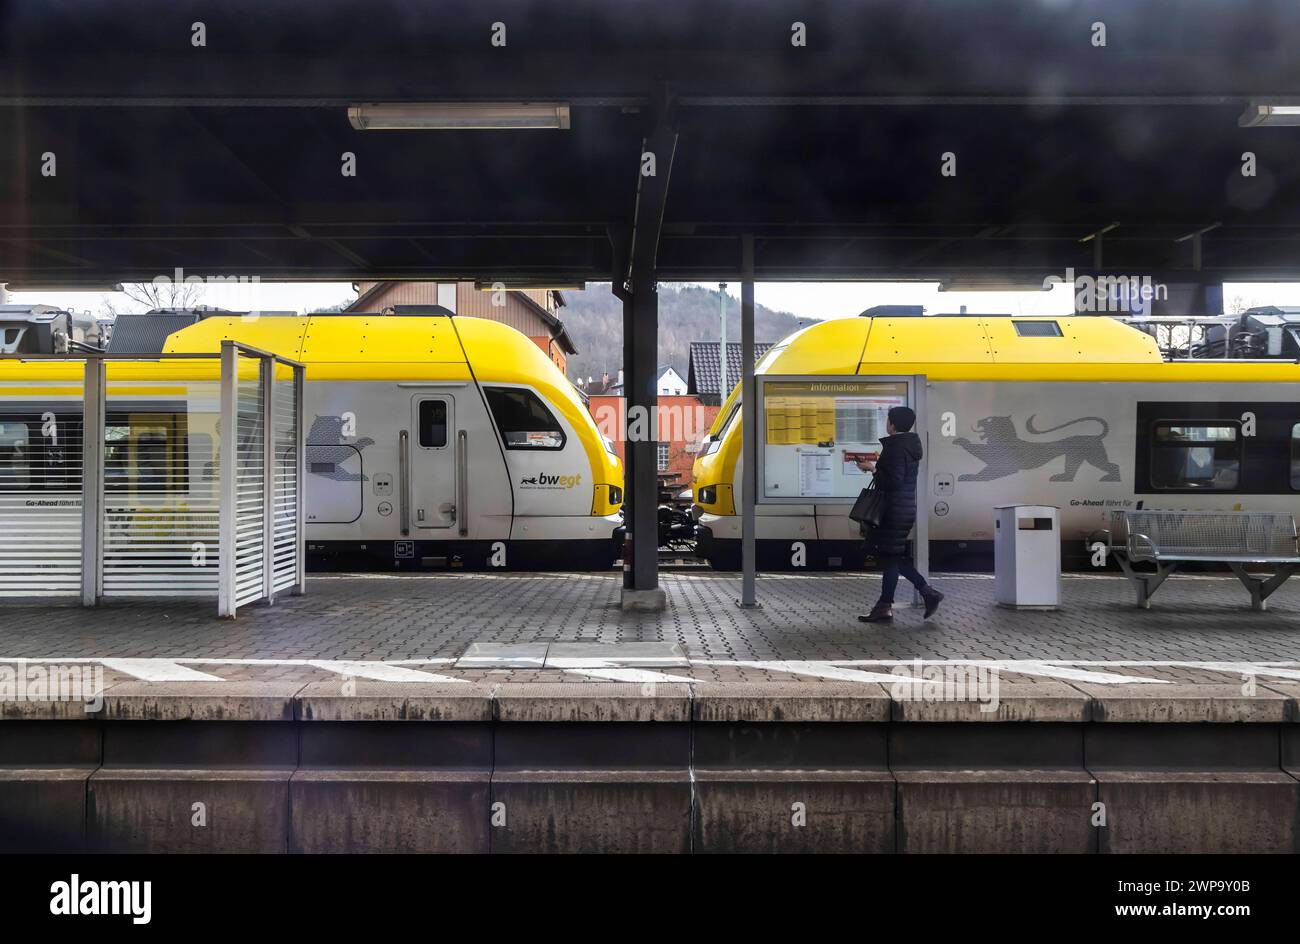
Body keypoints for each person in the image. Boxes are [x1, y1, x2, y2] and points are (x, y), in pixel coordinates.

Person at [855, 406, 943, 623]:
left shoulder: (896, 447)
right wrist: (878, 466)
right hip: (902, 509)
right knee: (891, 557)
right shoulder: (908, 445)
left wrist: (873, 469)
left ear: (892, 424)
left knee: (889, 557)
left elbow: (893, 481)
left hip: (893, 510)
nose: (886, 424)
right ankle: (891, 604)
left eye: (887, 420)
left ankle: (908, 598)